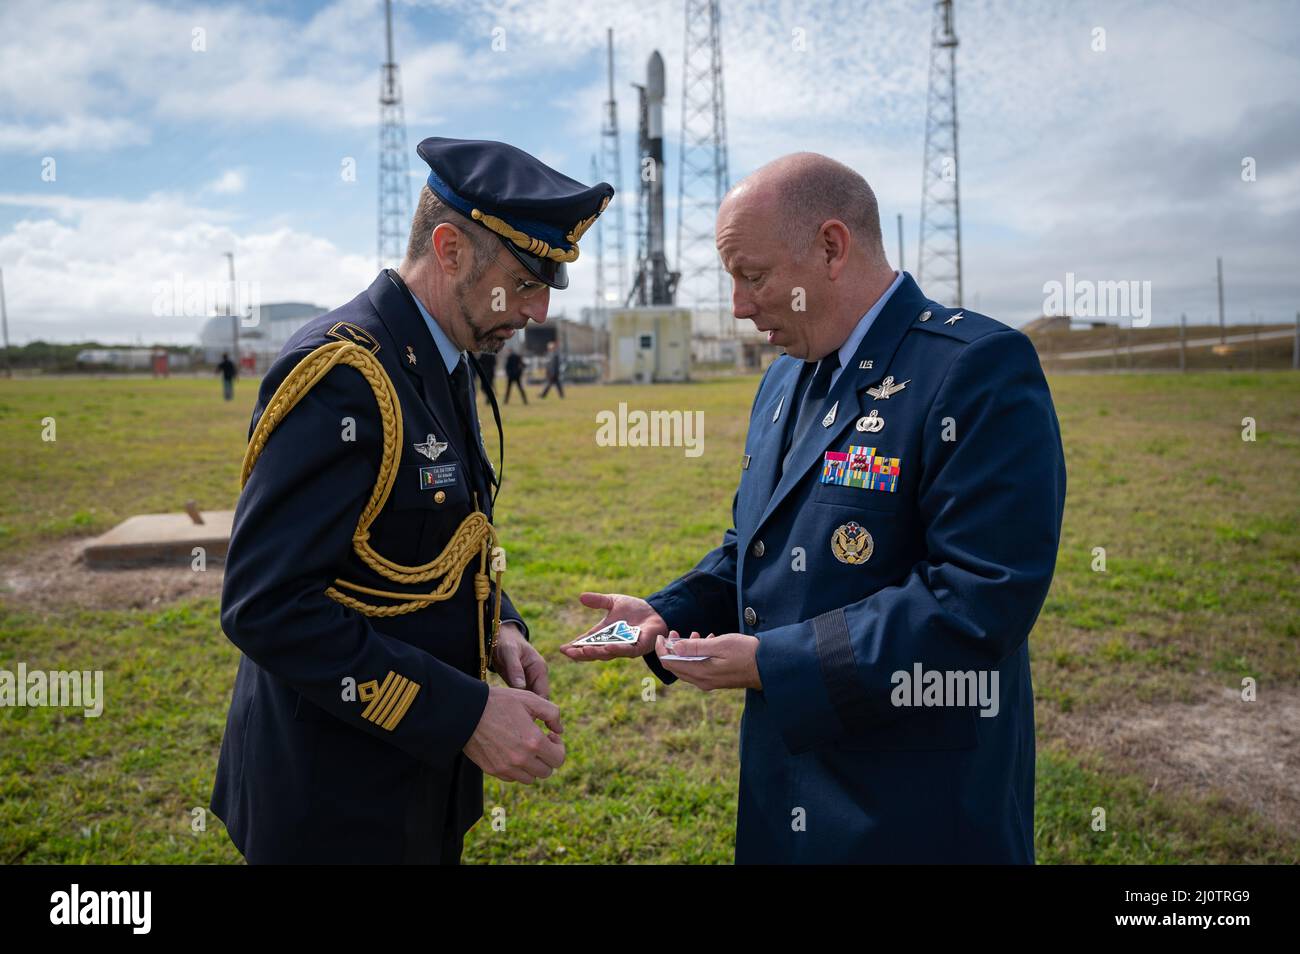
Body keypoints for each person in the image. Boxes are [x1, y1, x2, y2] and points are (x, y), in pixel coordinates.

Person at [563, 153, 1066, 864]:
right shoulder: (782, 379)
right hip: (785, 789)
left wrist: (777, 663)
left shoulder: (974, 366)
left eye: (754, 275)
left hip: (913, 809)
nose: (738, 306)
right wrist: (669, 610)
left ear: (832, 247)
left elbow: (978, 601)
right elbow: (754, 548)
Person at [211, 137, 613, 863]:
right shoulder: (342, 372)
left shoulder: (441, 353)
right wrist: (461, 715)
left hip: (413, 782)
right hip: (335, 798)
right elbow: (266, 605)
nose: (539, 309)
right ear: (449, 248)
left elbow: (440, 536)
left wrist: (502, 628)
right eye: (525, 280)